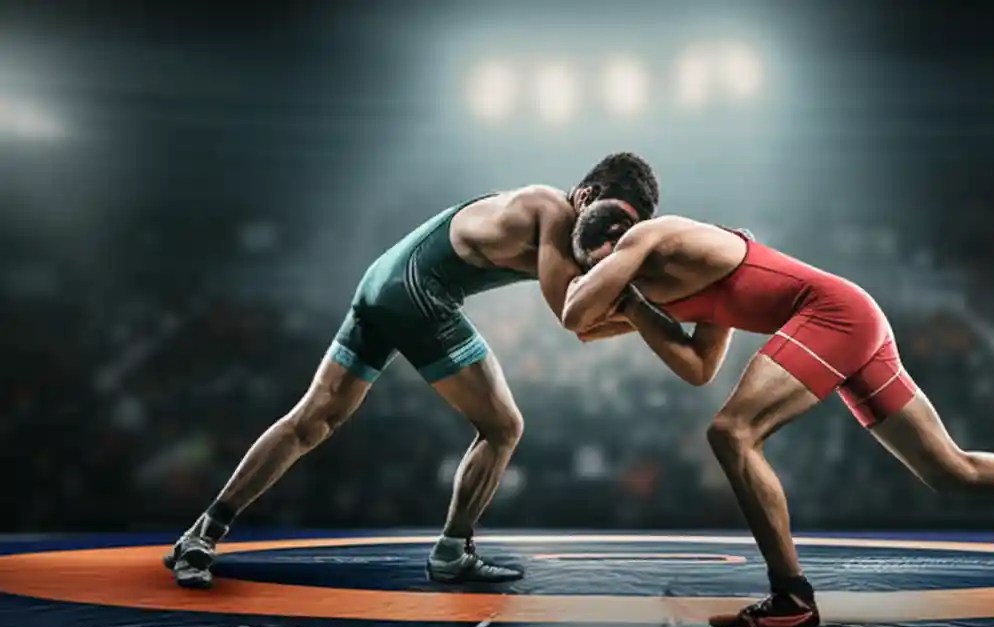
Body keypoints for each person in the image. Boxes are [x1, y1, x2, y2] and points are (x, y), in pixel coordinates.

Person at [560, 201, 994, 627]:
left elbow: (574, 312)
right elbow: (697, 367)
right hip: (847, 319)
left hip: (831, 315)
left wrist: (607, 297)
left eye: (601, 267)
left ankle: (790, 596)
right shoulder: (668, 282)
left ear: (616, 238)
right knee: (950, 469)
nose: (611, 284)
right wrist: (637, 311)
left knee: (732, 433)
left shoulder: (653, 233)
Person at [164, 153, 659, 589]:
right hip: (418, 292)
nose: (612, 244)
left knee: (313, 421)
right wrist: (667, 317)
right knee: (503, 426)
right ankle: (451, 552)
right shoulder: (551, 210)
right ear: (588, 194)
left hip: (384, 281)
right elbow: (574, 316)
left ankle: (202, 533)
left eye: (624, 236)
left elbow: (593, 314)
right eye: (612, 225)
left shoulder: (571, 230)